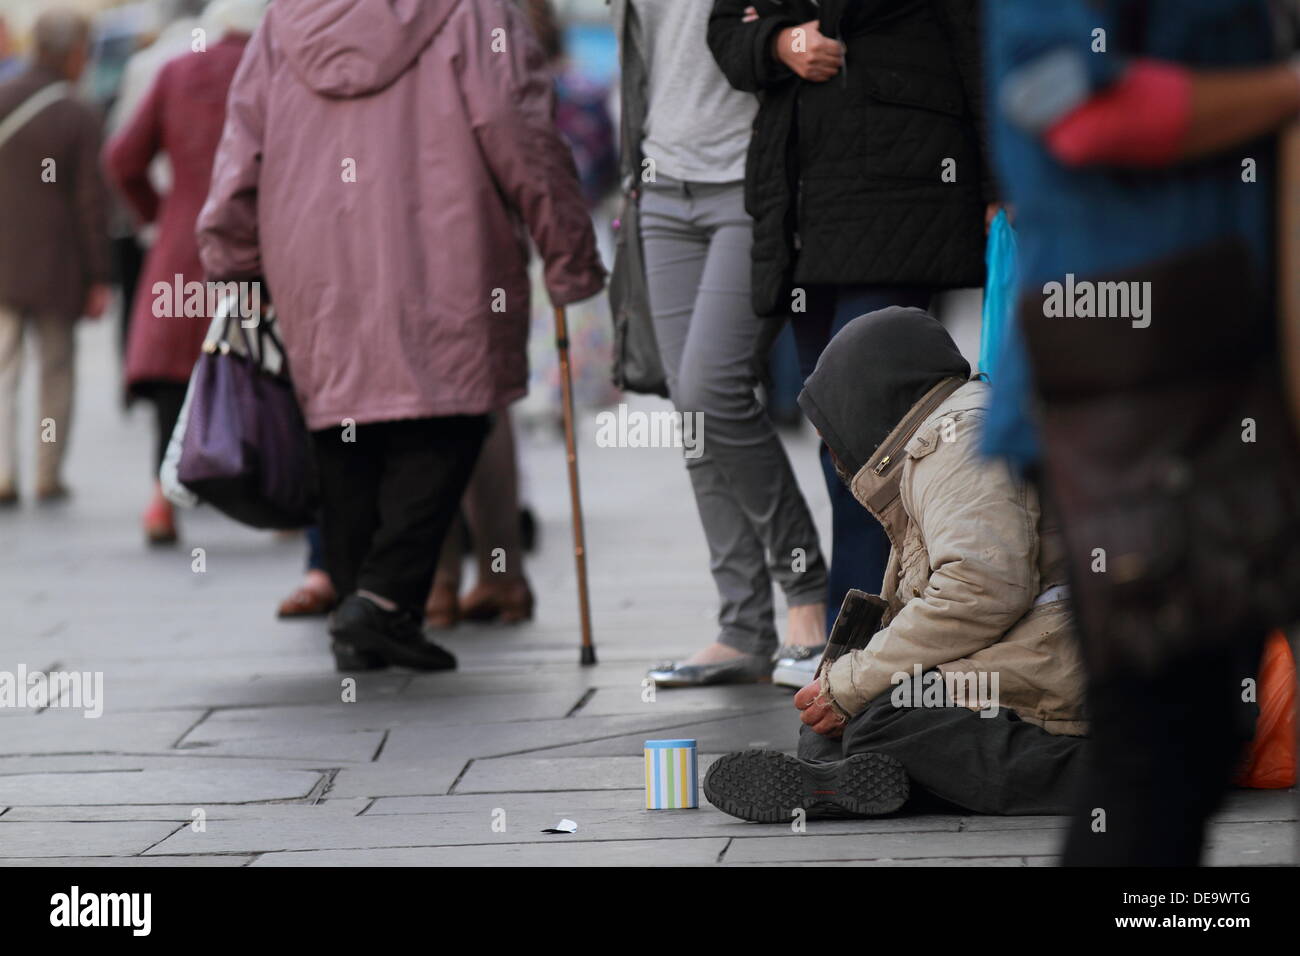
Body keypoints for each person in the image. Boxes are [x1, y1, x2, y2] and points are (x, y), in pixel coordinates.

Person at [198, 0, 605, 672]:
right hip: (443, 249)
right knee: (454, 414)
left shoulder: (284, 19)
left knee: (341, 421)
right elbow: (518, 128)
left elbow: (243, 142)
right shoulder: (475, 11)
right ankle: (382, 602)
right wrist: (566, 251)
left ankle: (365, 608)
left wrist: (231, 253)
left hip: (311, 251)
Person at [987, 0, 1300, 865]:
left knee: (1191, 745)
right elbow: (1074, 109)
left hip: (1213, 369)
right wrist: (1286, 91)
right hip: (1134, 385)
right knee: (1156, 754)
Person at [704, 308, 1090, 820]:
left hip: (1064, 658)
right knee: (841, 724)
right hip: (1035, 642)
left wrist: (855, 682)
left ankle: (1118, 772)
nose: (830, 448)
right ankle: (850, 779)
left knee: (886, 719)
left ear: (864, 399)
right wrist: (847, 681)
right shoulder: (938, 442)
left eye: (830, 427)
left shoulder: (954, 441)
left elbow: (980, 587)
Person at [707, 0, 995, 674]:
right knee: (840, 433)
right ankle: (874, 626)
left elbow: (976, 43)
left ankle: (862, 635)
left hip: (903, 190)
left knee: (869, 431)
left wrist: (999, 184)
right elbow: (726, 33)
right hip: (803, 201)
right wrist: (780, 43)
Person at [605, 0, 828, 688]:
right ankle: (742, 626)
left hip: (750, 182)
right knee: (694, 413)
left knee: (711, 389)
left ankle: (807, 593)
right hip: (663, 189)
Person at [105, 0, 266, 545]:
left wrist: (158, 213)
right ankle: (278, 494)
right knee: (265, 363)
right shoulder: (273, 71)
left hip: (182, 241)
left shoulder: (176, 70)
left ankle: (161, 499)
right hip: (255, 239)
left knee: (176, 373)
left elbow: (123, 159)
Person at [0, 9, 111, 506]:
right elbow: (91, 203)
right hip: (56, 270)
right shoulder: (78, 114)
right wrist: (99, 274)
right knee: (55, 373)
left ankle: (2, 471)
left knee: (3, 371)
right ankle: (47, 471)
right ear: (71, 53)